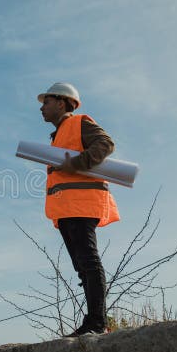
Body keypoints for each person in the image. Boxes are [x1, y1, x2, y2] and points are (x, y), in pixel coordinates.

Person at [38, 82, 120, 336]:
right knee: (82, 267)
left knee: (89, 262)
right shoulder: (58, 135)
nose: (42, 108)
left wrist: (76, 163)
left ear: (61, 102)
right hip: (67, 210)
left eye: (46, 102)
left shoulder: (80, 123)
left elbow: (105, 144)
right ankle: (92, 322)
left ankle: (97, 322)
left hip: (82, 205)